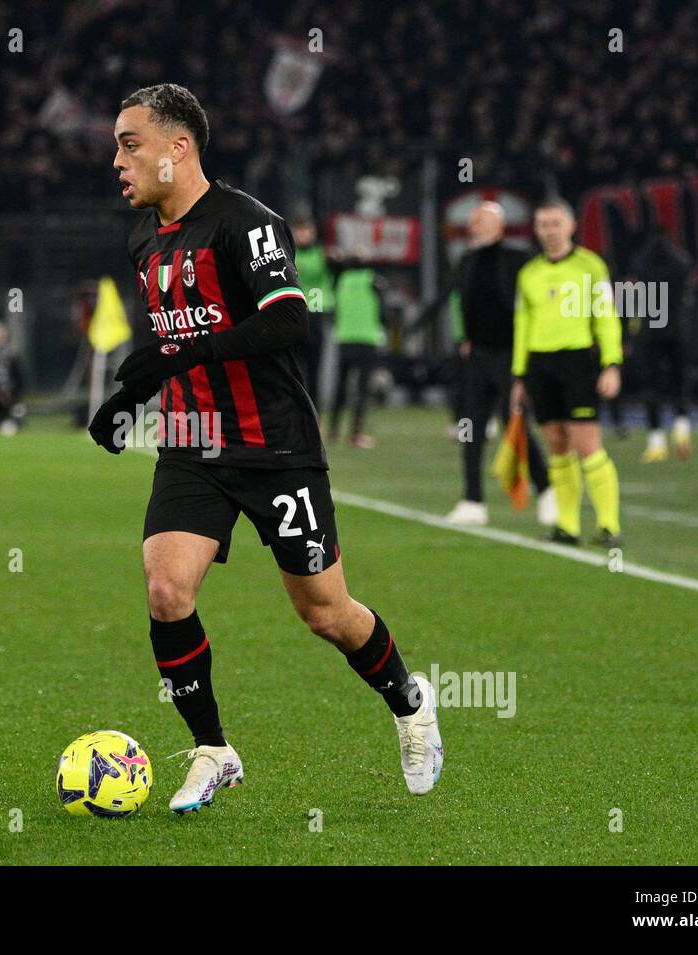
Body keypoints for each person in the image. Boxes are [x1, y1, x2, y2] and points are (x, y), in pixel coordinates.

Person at [88, 83, 442, 811]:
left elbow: (287, 321)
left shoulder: (246, 223)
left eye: (129, 144)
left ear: (177, 147)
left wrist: (176, 361)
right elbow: (169, 341)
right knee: (165, 587)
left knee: (325, 613)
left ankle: (409, 700)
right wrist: (127, 399)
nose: (116, 161)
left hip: (275, 446)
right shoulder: (142, 240)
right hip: (192, 443)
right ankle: (214, 749)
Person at [510, 198, 623, 547]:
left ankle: (608, 526)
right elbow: (522, 325)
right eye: (543, 224)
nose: (549, 230)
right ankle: (568, 526)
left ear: (571, 226)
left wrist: (611, 364)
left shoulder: (591, 266)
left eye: (556, 223)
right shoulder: (529, 273)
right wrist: (519, 375)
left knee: (587, 444)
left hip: (577, 361)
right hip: (540, 365)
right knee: (557, 445)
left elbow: (606, 316)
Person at [443, 202, 555, 527]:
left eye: (482, 220)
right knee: (470, 429)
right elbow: (463, 302)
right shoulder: (465, 260)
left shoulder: (519, 259)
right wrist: (466, 339)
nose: (474, 225)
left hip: (509, 355)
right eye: (474, 220)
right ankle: (473, 500)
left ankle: (546, 489)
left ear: (499, 225)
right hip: (477, 356)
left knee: (515, 424)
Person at [629, 226, 695, 461]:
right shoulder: (682, 261)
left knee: (651, 386)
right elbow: (687, 296)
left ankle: (656, 442)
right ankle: (682, 430)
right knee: (679, 382)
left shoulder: (642, 261)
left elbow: (637, 297)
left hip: (652, 327)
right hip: (677, 327)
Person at [327, 259, 384, 448]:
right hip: (367, 338)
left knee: (340, 387)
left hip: (344, 338)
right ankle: (356, 434)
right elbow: (384, 310)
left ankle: (333, 430)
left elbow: (334, 308)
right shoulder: (373, 280)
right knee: (361, 389)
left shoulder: (342, 280)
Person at [291, 218, 332, 412]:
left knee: (314, 369)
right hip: (294, 317)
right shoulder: (288, 252)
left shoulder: (322, 255)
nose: (303, 235)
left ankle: (315, 414)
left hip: (315, 316)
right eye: (300, 231)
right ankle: (295, 413)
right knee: (293, 370)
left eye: (306, 231)